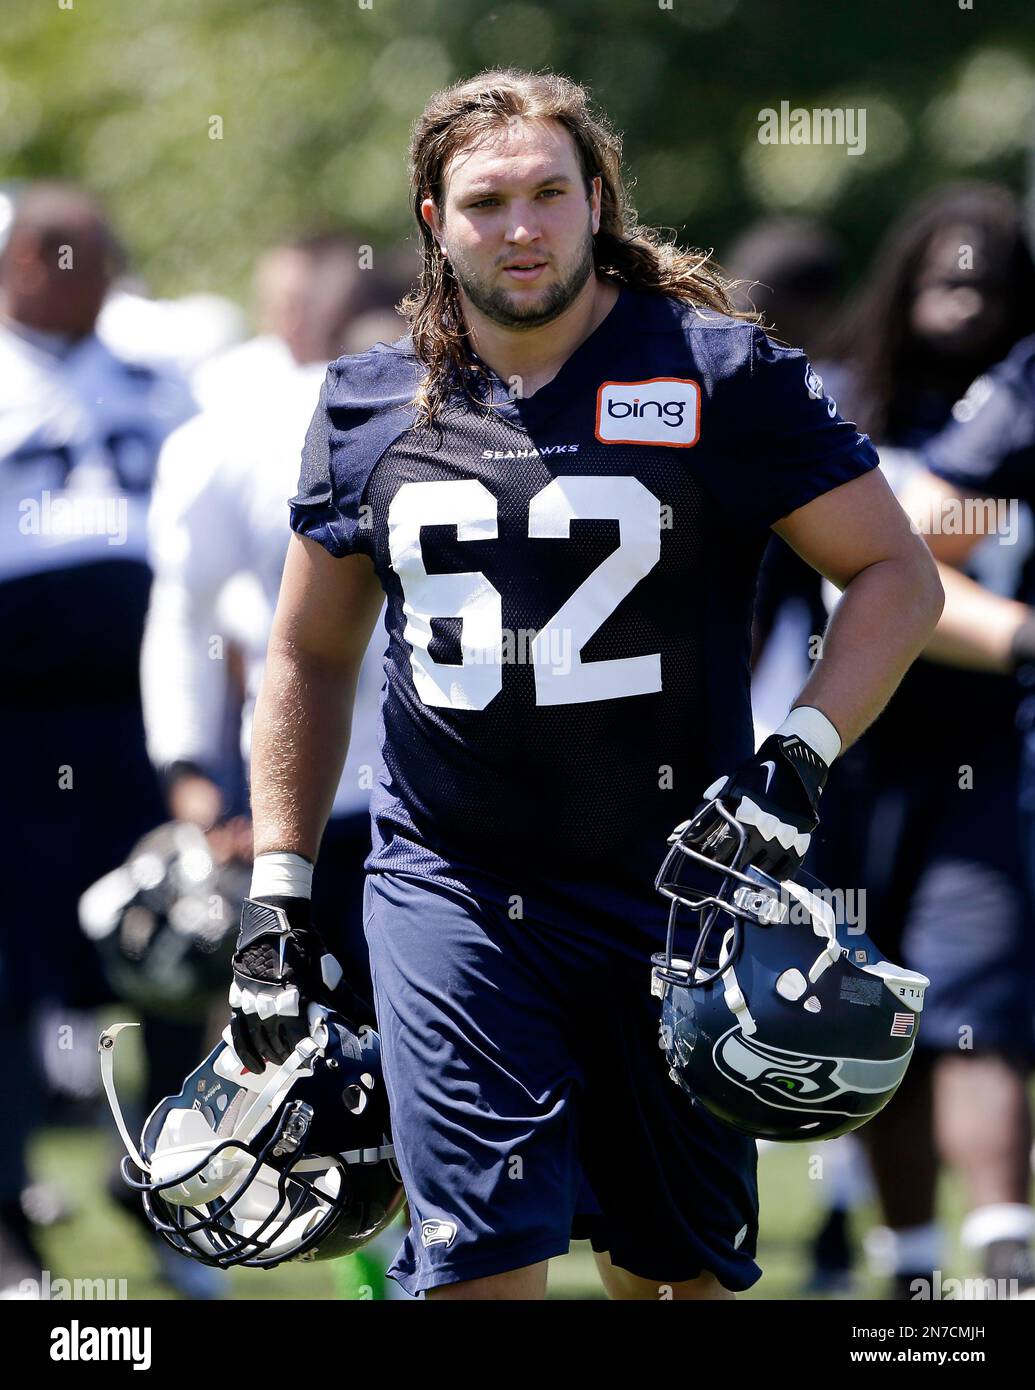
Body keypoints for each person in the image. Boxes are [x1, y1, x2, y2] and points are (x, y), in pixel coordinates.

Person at [229, 68, 942, 1301]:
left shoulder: (722, 373)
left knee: (672, 1280)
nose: (521, 227)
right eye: (487, 200)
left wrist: (799, 761)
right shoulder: (366, 406)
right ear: (433, 221)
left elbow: (896, 575)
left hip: (678, 893)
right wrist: (281, 890)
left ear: (598, 200)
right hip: (452, 884)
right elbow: (307, 651)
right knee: (478, 1267)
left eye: (550, 194)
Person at [802, 183, 1035, 1297]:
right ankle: (908, 1268)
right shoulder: (834, 408)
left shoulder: (1017, 394)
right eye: (941, 276)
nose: (961, 298)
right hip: (850, 747)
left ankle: (1002, 1247)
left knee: (977, 1000)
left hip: (985, 754)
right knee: (865, 1006)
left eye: (984, 282)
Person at [0, 182, 194, 1294]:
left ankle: (168, 1187)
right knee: (10, 979)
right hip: (13, 719)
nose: (86, 268)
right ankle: (9, 1227)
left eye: (99, 250)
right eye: (62, 250)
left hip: (135, 712)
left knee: (172, 951)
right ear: (16, 259)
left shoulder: (156, 380)